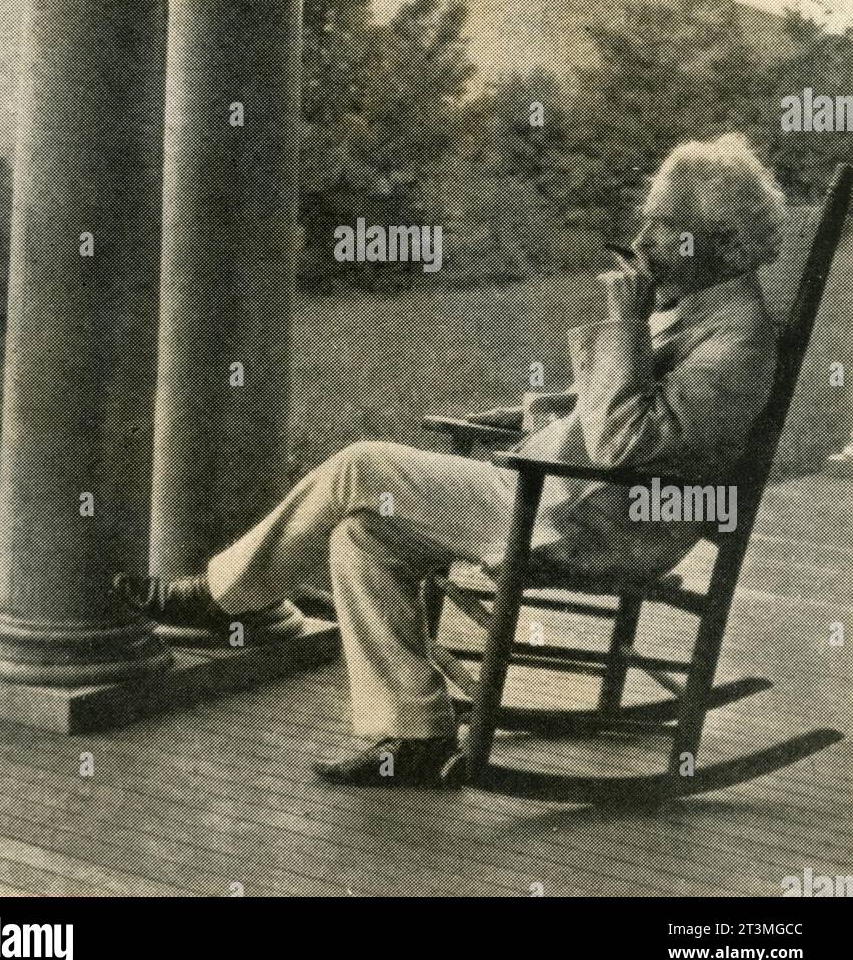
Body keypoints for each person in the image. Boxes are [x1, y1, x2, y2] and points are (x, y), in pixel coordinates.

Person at [115, 134, 786, 787]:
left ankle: (224, 596)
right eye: (645, 222)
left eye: (663, 226)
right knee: (362, 534)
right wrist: (534, 413)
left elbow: (621, 444)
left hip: (596, 524)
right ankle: (414, 736)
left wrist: (624, 327)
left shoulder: (738, 345)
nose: (639, 243)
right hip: (566, 497)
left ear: (722, 241)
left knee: (360, 466)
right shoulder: (697, 311)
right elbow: (617, 411)